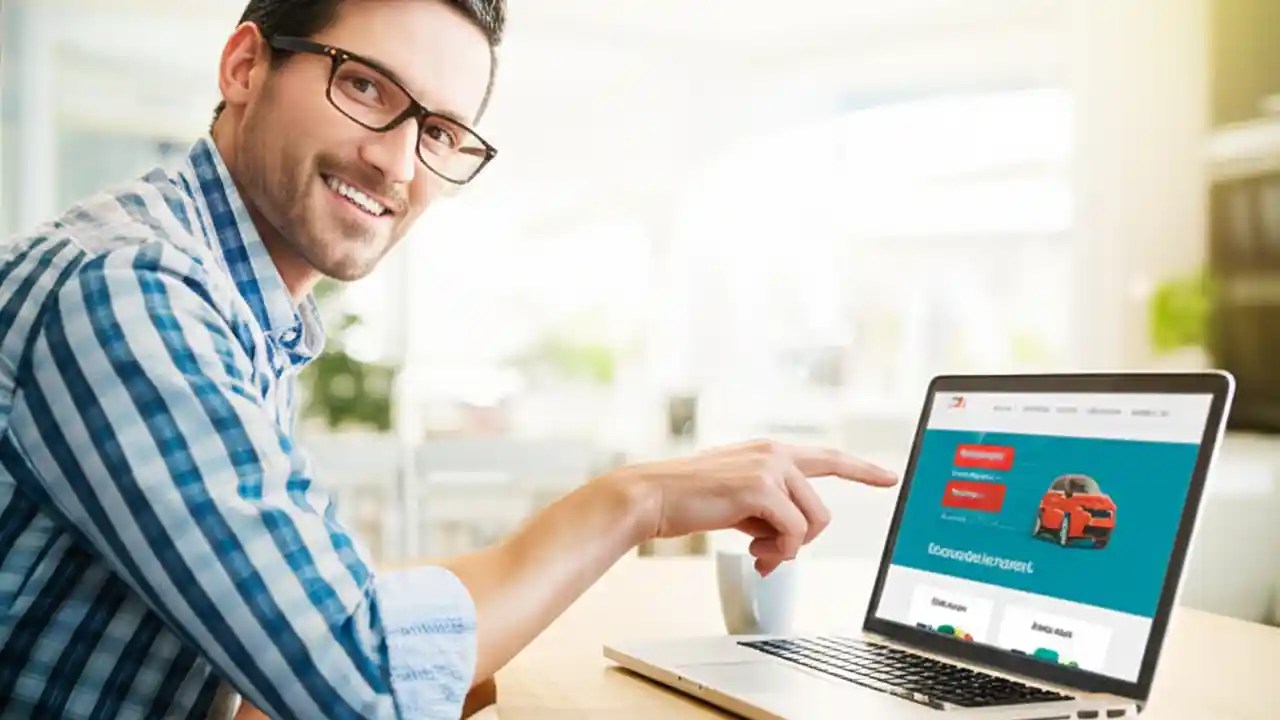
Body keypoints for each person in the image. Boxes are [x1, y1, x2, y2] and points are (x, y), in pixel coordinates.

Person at [0, 1, 899, 718]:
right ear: (245, 66)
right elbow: (362, 684)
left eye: (439, 133)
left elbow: (313, 619)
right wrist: (639, 500)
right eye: (365, 87)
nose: (397, 163)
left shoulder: (234, 305)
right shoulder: (131, 291)